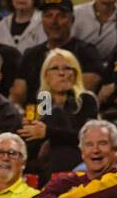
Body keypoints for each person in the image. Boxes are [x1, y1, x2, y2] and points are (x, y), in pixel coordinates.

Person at [11, 0, 103, 107]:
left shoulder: (86, 52)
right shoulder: (31, 54)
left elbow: (81, 94)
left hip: (71, 117)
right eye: (48, 15)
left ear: (72, 20)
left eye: (61, 16)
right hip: (32, 118)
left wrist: (45, 115)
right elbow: (17, 94)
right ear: (42, 20)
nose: (54, 21)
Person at [23, 49, 99, 178]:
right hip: (45, 160)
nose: (62, 73)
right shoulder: (44, 99)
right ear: (46, 75)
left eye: (67, 68)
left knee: (56, 114)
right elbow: (40, 137)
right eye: (55, 69)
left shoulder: (85, 99)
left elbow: (86, 138)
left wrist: (48, 132)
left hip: (77, 157)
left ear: (75, 74)